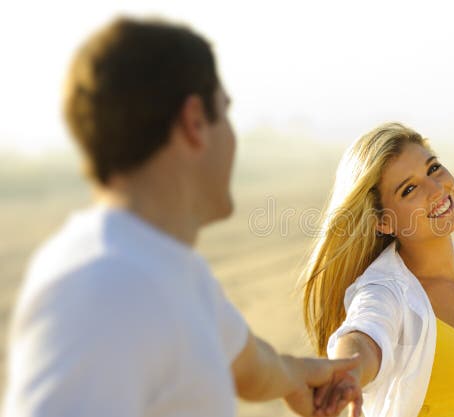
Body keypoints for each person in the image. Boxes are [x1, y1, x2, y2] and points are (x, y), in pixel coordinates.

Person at [3, 17, 360, 417]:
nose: (232, 135)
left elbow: (254, 366)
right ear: (194, 122)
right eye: (224, 113)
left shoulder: (174, 269)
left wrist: (302, 376)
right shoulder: (103, 284)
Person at [301, 123, 454, 416]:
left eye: (433, 169)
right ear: (384, 222)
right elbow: (365, 331)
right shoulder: (388, 291)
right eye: (409, 189)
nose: (436, 189)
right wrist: (348, 372)